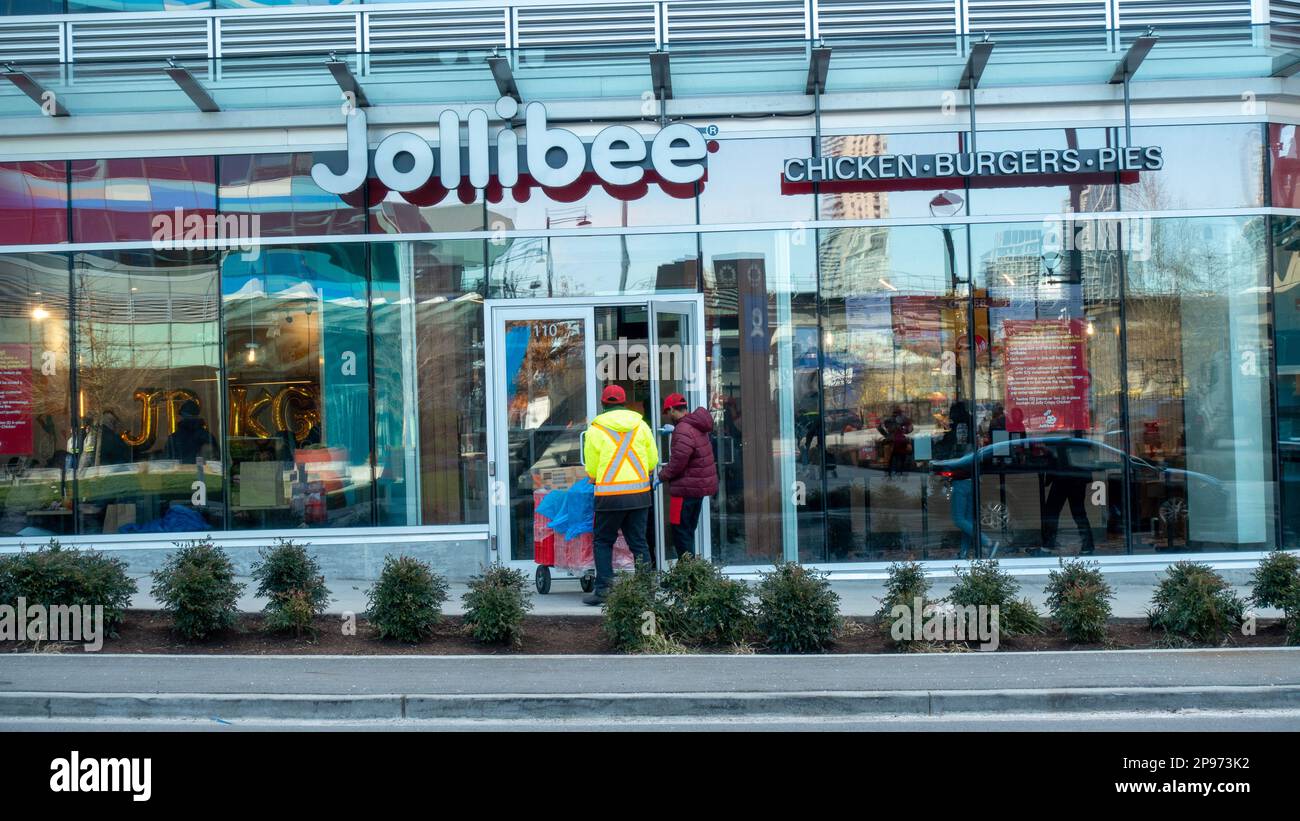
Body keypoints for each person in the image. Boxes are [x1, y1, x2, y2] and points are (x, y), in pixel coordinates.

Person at [582, 385, 657, 605]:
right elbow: (652, 461)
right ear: (625, 403)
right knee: (639, 543)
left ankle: (604, 590)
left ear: (604, 404)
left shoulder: (595, 429)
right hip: (639, 495)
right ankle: (646, 591)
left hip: (609, 497)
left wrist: (596, 476)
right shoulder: (641, 426)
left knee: (603, 541)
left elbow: (592, 470)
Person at [656, 393, 718, 559]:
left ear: (671, 409)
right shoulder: (694, 425)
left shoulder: (682, 429)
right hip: (697, 489)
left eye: (667, 413)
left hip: (684, 491)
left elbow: (678, 463)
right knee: (688, 529)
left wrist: (660, 477)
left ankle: (687, 576)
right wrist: (675, 430)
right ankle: (689, 574)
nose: (668, 417)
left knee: (680, 531)